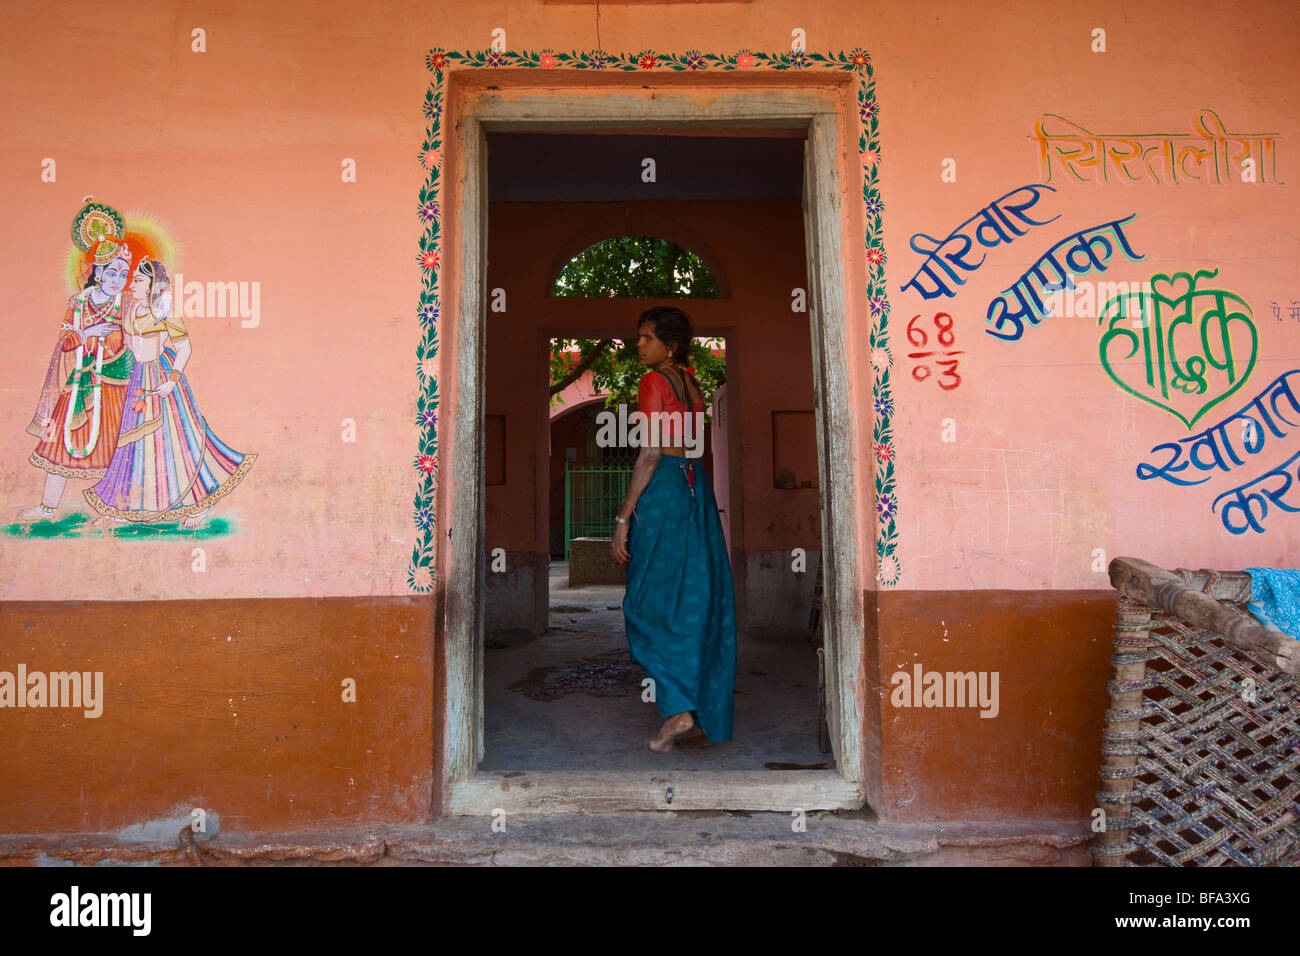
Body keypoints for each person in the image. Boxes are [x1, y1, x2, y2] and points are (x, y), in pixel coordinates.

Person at [611, 306, 737, 753]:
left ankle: (679, 710)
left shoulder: (653, 382)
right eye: (639, 336)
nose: (639, 344)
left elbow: (649, 453)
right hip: (693, 488)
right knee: (697, 598)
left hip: (664, 488)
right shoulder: (693, 385)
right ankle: (698, 713)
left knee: (647, 604)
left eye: (647, 337)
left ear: (671, 344)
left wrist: (624, 517)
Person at [84, 257, 255, 528]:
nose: (132, 284)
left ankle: (201, 502)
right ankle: (122, 507)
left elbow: (185, 348)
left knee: (179, 442)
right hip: (138, 381)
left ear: (153, 285)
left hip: (161, 380)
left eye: (138, 280)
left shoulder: (166, 312)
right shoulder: (132, 309)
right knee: (132, 445)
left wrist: (172, 381)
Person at [19, 219, 136, 522]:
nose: (117, 280)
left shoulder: (128, 305)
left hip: (116, 386)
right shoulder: (79, 302)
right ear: (97, 272)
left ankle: (115, 509)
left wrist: (107, 338)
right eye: (111, 272)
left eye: (123, 274)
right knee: (59, 445)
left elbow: (134, 340)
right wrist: (88, 334)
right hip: (80, 384)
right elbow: (65, 340)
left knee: (115, 449)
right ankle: (47, 509)